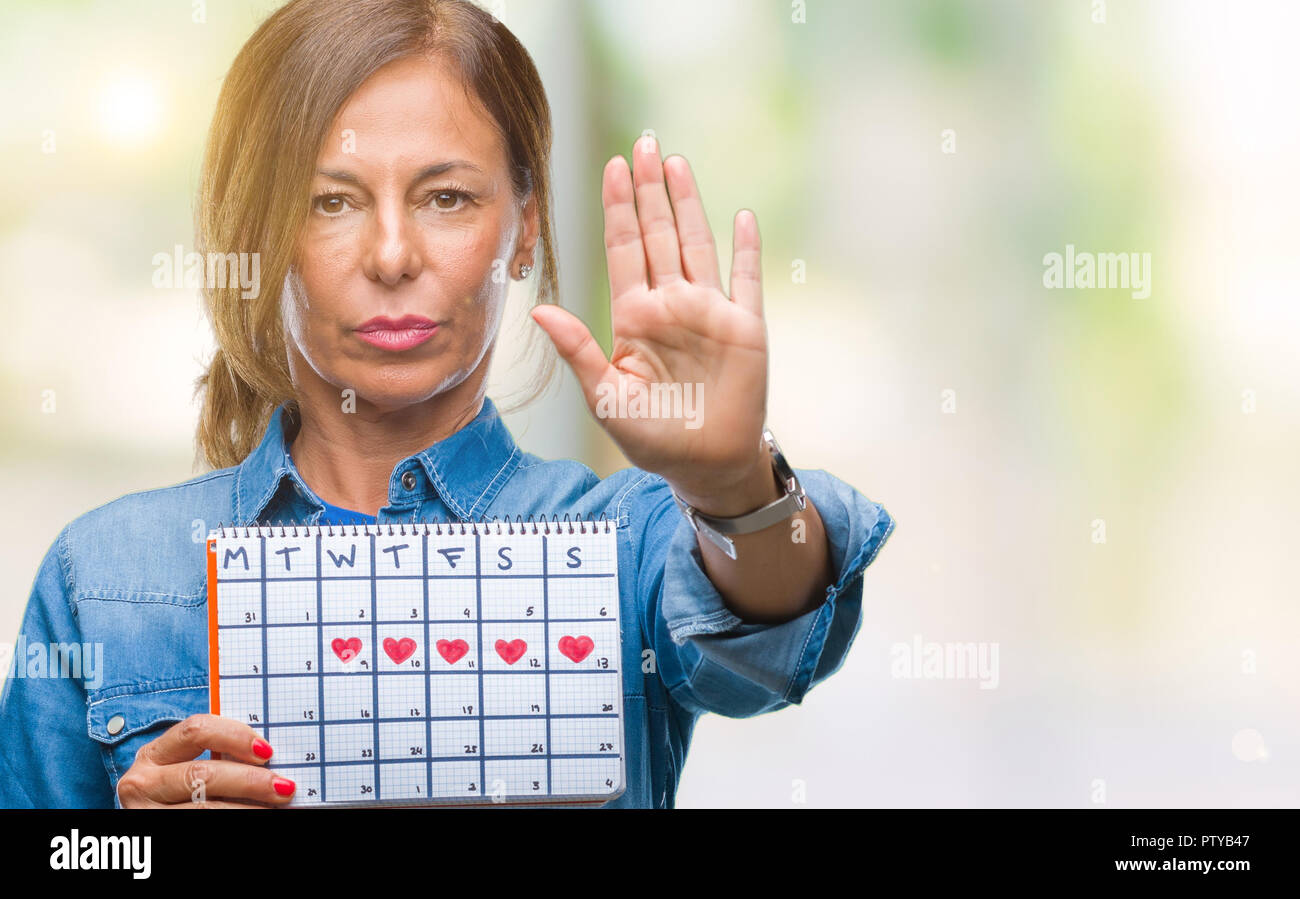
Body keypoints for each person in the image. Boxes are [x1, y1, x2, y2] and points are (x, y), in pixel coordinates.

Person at [0, 0, 892, 809]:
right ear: (258, 232)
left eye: (446, 197)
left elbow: (773, 649)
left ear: (523, 226)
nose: (392, 255)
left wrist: (735, 487)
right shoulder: (102, 578)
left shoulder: (621, 546)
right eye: (331, 200)